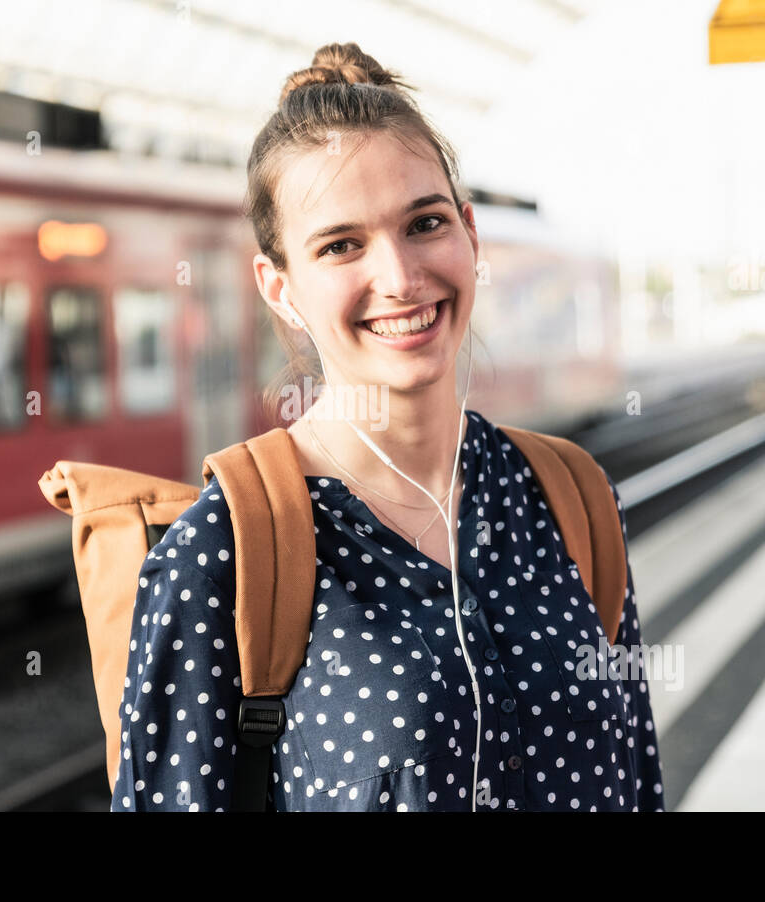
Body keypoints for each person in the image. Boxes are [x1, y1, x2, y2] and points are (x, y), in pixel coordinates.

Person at [112, 41, 665, 812]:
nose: (400, 279)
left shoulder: (572, 501)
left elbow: (639, 783)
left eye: (425, 223)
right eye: (341, 245)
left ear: (470, 235)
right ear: (279, 287)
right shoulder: (224, 557)